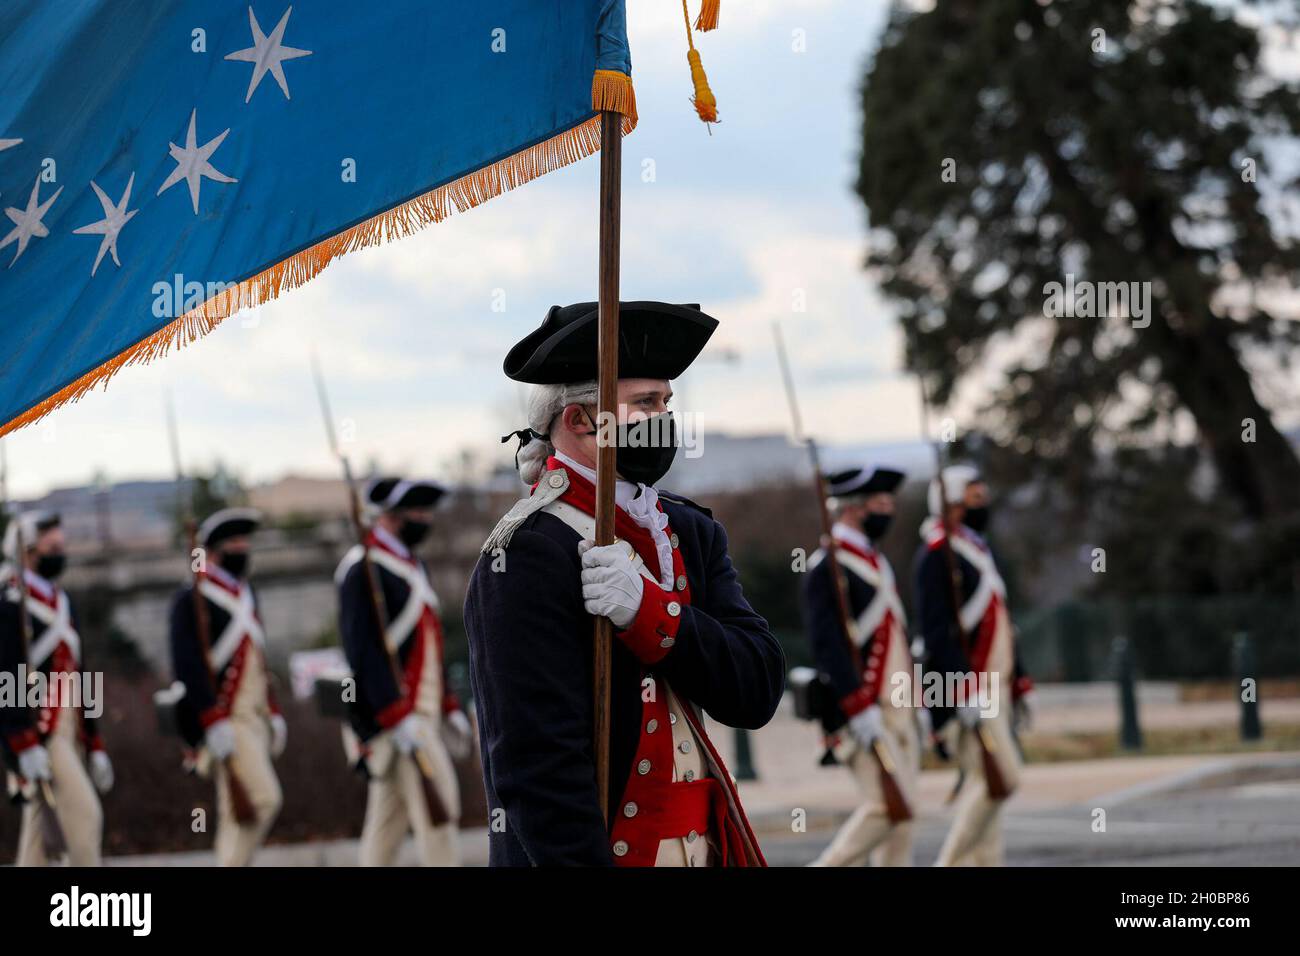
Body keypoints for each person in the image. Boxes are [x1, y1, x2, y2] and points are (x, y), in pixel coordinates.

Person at [465, 300, 785, 866]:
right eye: (643, 404)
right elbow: (536, 769)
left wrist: (652, 615)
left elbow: (755, 686)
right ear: (580, 420)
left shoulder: (688, 530)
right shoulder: (524, 552)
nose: (663, 418)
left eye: (666, 402)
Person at [335, 477, 472, 866]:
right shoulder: (361, 569)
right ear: (391, 516)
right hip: (399, 715)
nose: (425, 518)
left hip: (420, 713)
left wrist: (447, 705)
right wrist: (397, 717)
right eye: (417, 511)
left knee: (387, 826)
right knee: (440, 811)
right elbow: (363, 654)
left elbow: (429, 644)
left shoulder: (413, 566)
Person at [802, 466, 925, 867]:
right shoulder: (828, 567)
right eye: (881, 504)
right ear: (854, 509)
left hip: (899, 708)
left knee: (903, 817)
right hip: (866, 709)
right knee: (887, 807)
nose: (888, 511)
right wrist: (857, 706)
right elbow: (828, 645)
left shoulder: (874, 562)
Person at [914, 465, 1034, 866]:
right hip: (969, 689)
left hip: (995, 686)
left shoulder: (976, 549)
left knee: (990, 786)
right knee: (1005, 779)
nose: (984, 505)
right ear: (952, 505)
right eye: (975, 498)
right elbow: (937, 634)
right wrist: (960, 691)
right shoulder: (936, 556)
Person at [168, 507, 284, 866]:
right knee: (265, 799)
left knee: (239, 816)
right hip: (226, 720)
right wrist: (211, 719)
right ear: (215, 550)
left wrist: (273, 710)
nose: (243, 547)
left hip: (255, 720)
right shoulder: (191, 599)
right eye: (235, 541)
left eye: (245, 540)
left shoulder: (247, 594)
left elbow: (258, 661)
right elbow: (186, 666)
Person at [0, 511, 112, 865]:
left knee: (37, 841)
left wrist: (94, 741)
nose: (60, 554)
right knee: (87, 818)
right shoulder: (11, 603)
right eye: (52, 548)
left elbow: (81, 672)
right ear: (30, 552)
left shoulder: (62, 602)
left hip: (71, 729)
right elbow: (7, 676)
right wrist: (21, 741)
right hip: (42, 734)